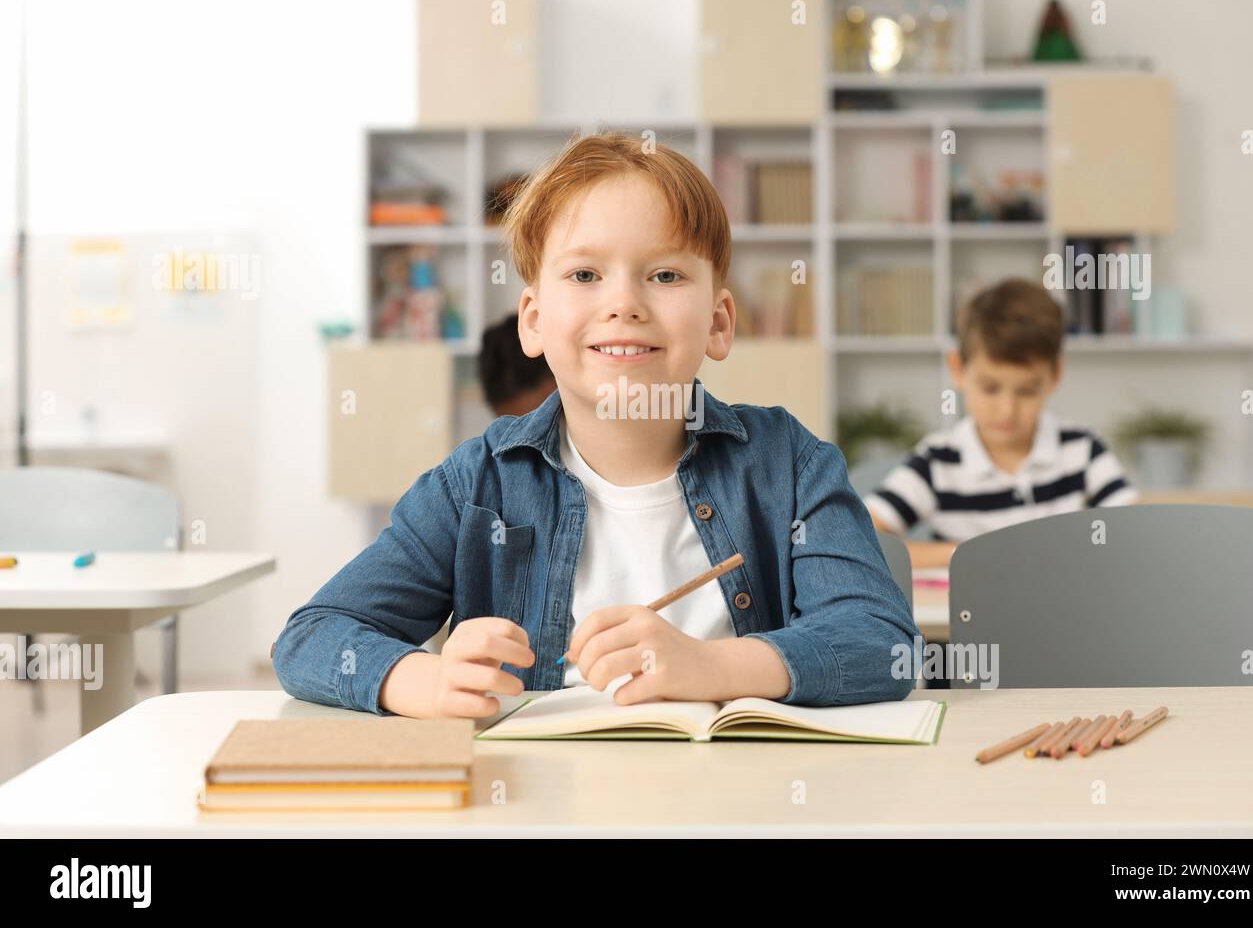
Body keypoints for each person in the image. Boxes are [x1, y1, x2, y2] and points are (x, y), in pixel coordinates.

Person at [273, 131, 917, 718]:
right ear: (532, 320)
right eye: (585, 274)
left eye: (664, 275)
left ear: (718, 322)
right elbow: (312, 636)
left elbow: (882, 643)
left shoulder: (790, 462)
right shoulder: (475, 484)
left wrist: (711, 666)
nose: (624, 304)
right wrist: (424, 679)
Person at [866, 278, 1139, 571]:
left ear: (1055, 374)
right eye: (990, 388)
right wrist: (966, 555)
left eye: (1027, 391)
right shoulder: (937, 461)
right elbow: (860, 537)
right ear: (957, 369)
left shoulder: (1082, 450)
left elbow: (1135, 535)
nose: (1007, 410)